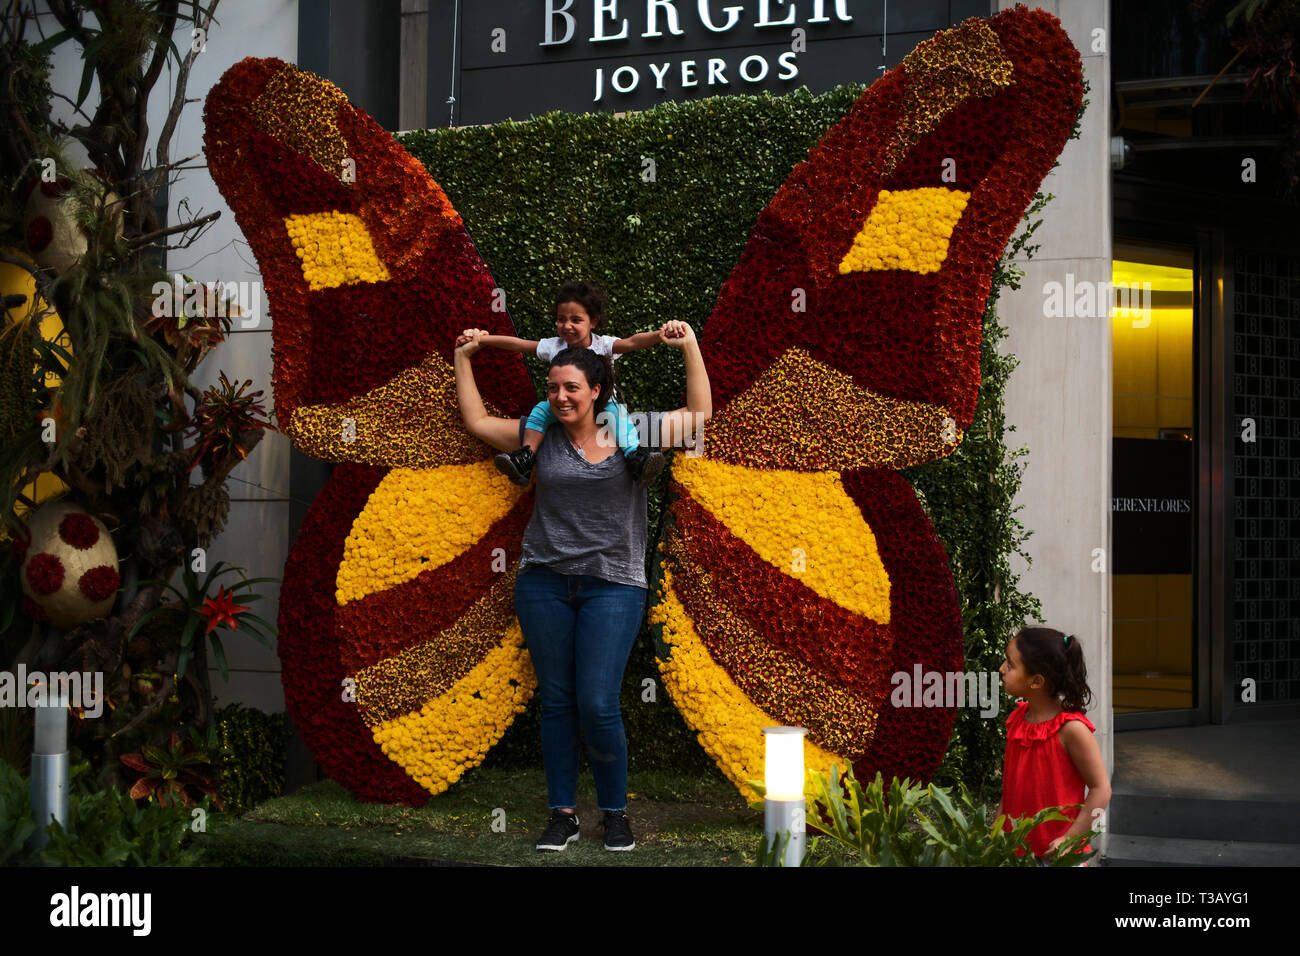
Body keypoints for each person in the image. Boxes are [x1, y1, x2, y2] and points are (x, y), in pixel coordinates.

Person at [452, 317, 710, 852]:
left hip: (614, 584)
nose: (562, 396)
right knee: (559, 701)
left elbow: (698, 417)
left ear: (596, 390)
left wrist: (690, 347)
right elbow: (477, 422)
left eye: (572, 388)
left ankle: (615, 814)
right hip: (543, 582)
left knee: (598, 701)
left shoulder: (626, 430)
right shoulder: (537, 433)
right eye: (554, 388)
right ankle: (562, 814)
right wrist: (464, 356)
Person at [465, 280, 668, 490]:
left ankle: (636, 458)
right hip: (563, 406)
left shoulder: (604, 345)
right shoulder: (554, 346)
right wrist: (483, 340)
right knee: (540, 412)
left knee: (618, 417)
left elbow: (633, 342)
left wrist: (661, 335)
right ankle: (525, 456)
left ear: (594, 322)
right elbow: (519, 344)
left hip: (601, 404)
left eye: (576, 320)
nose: (567, 325)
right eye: (561, 319)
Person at [998, 625, 1112, 864]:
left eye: (1010, 664)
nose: (1001, 669)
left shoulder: (1072, 730)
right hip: (1015, 852)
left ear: (1036, 681)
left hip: (1057, 857)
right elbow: (1011, 788)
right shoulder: (1017, 719)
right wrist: (998, 826)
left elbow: (1101, 789)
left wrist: (1071, 839)